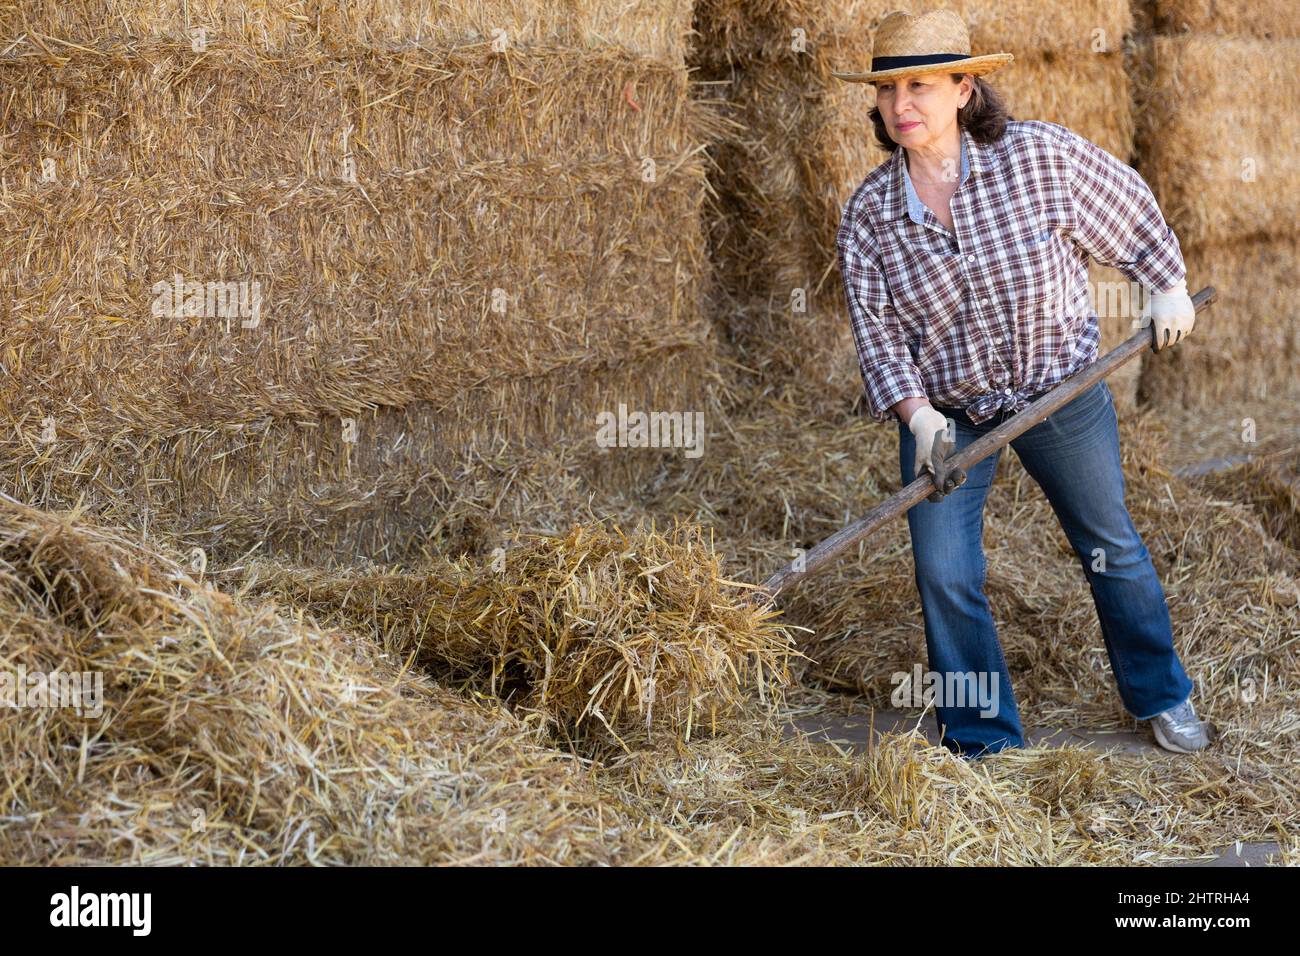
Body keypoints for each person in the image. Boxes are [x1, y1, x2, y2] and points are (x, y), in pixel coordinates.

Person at [831, 9, 1211, 757]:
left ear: (965, 87)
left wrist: (1165, 284)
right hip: (950, 418)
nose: (900, 105)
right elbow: (876, 336)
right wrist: (919, 419)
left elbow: (1128, 207)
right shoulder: (871, 215)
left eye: (921, 85)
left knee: (1109, 546)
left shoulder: (1038, 158)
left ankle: (1162, 695)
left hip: (1061, 393)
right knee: (944, 570)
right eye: (886, 91)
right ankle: (982, 735)